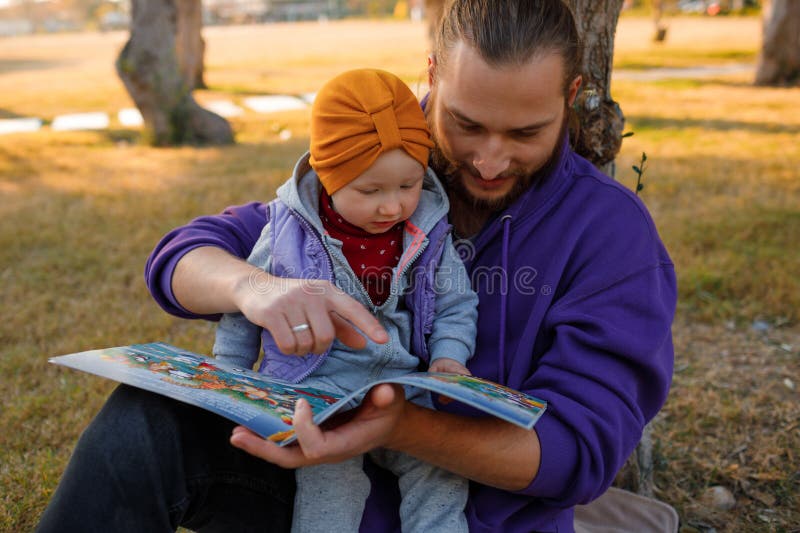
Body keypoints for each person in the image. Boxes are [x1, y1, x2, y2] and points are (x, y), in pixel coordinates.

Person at [37, 1, 677, 532]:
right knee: (144, 422)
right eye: (465, 123)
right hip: (306, 489)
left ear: (571, 96)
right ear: (432, 76)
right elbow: (181, 258)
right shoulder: (382, 166)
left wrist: (397, 427)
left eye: (525, 134)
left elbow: (580, 453)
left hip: (470, 515)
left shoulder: (611, 234)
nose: (487, 160)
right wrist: (255, 288)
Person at [212, 68, 476, 533]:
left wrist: (449, 360)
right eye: (370, 191)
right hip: (318, 390)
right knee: (329, 482)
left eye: (408, 185)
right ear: (328, 176)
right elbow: (245, 305)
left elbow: (456, 303)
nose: (391, 207)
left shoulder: (427, 230)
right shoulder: (289, 231)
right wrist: (229, 378)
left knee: (439, 473)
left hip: (401, 387)